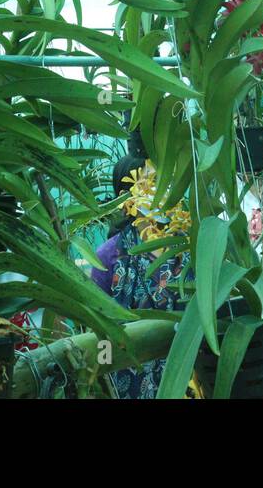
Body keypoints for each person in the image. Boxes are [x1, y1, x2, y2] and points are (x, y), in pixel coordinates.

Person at [90, 139, 188, 398]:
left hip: (188, 376)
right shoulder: (108, 258)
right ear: (127, 198)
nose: (159, 191)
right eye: (148, 183)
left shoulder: (190, 248)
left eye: (164, 180)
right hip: (129, 383)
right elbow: (97, 329)